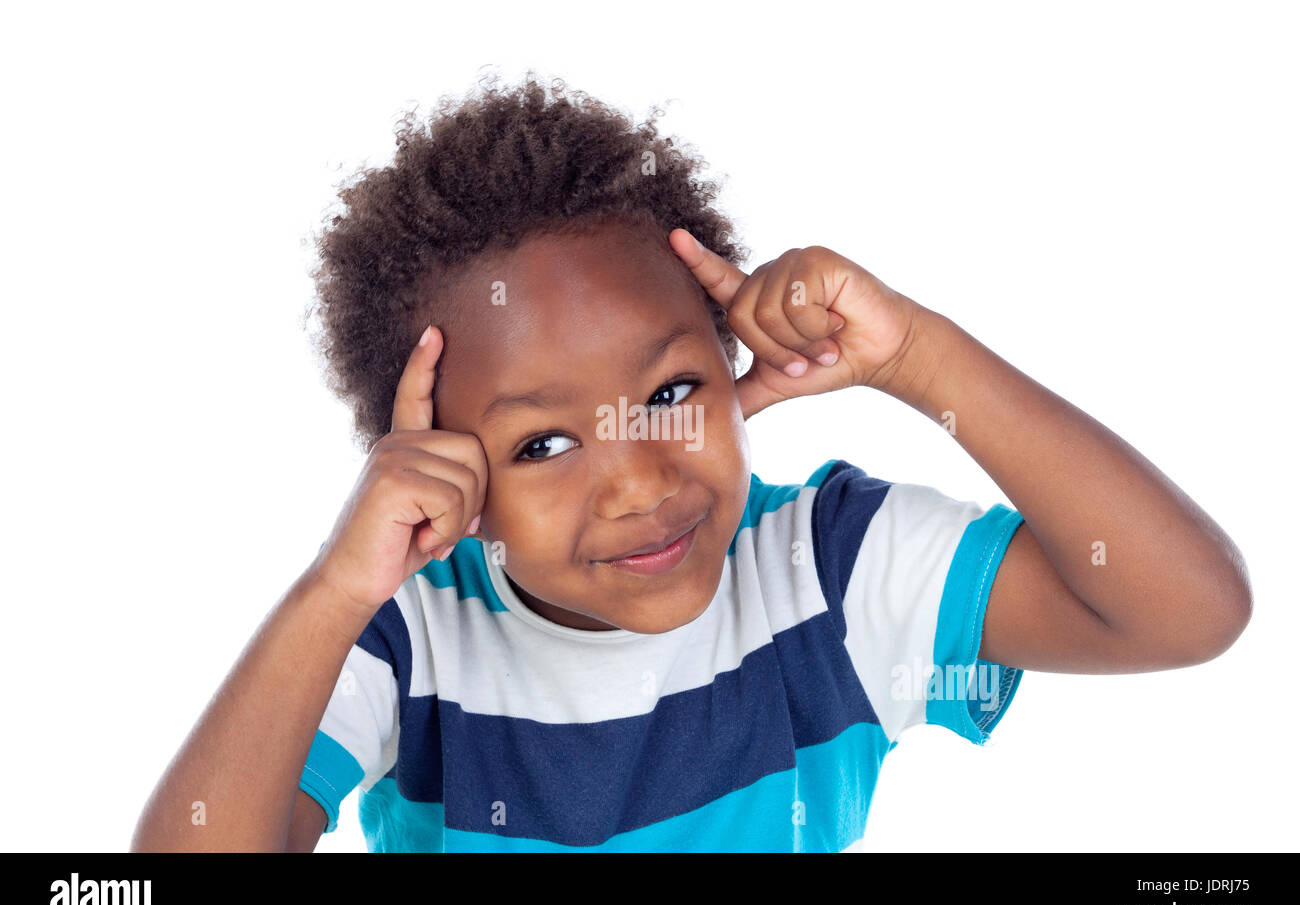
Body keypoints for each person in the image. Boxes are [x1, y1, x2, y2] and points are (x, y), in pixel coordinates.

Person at [130, 70, 1252, 853]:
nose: (637, 479)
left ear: (731, 367)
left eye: (670, 394)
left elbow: (1182, 611)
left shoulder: (827, 571)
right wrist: (336, 588)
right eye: (544, 443)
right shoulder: (407, 635)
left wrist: (917, 357)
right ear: (440, 470)